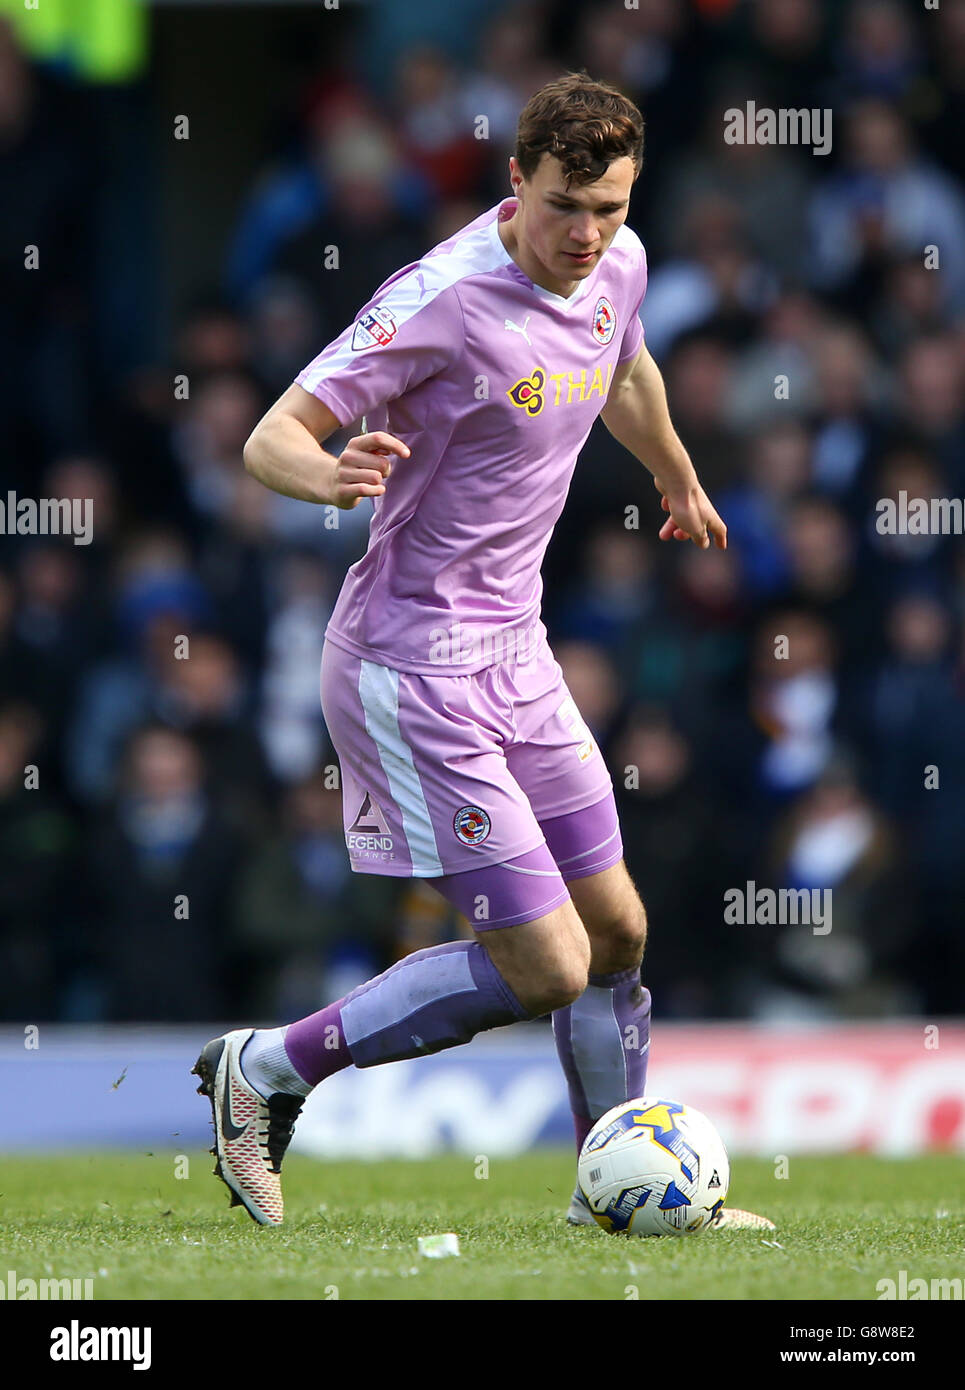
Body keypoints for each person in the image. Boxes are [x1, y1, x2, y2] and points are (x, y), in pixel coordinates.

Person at [194, 72, 769, 1233]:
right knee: (549, 964)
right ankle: (264, 1070)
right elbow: (271, 438)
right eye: (564, 205)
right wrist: (329, 476)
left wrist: (673, 471)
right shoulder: (441, 298)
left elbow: (626, 363)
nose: (585, 234)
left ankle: (602, 1197)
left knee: (618, 932)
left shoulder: (619, 262)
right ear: (515, 180)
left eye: (608, 207)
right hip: (409, 667)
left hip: (518, 650)